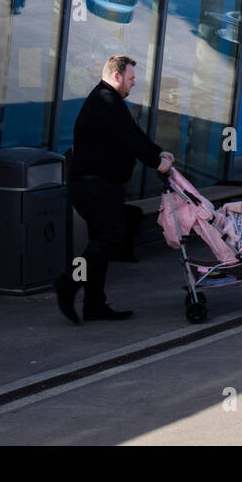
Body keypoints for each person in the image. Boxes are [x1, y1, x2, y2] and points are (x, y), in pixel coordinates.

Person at [54, 55, 174, 323]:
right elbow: (128, 138)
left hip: (100, 185)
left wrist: (158, 153)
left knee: (103, 239)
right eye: (131, 79)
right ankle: (69, 284)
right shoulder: (105, 101)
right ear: (117, 76)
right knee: (112, 237)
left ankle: (94, 304)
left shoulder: (110, 101)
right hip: (93, 185)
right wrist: (156, 163)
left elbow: (134, 132)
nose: (133, 84)